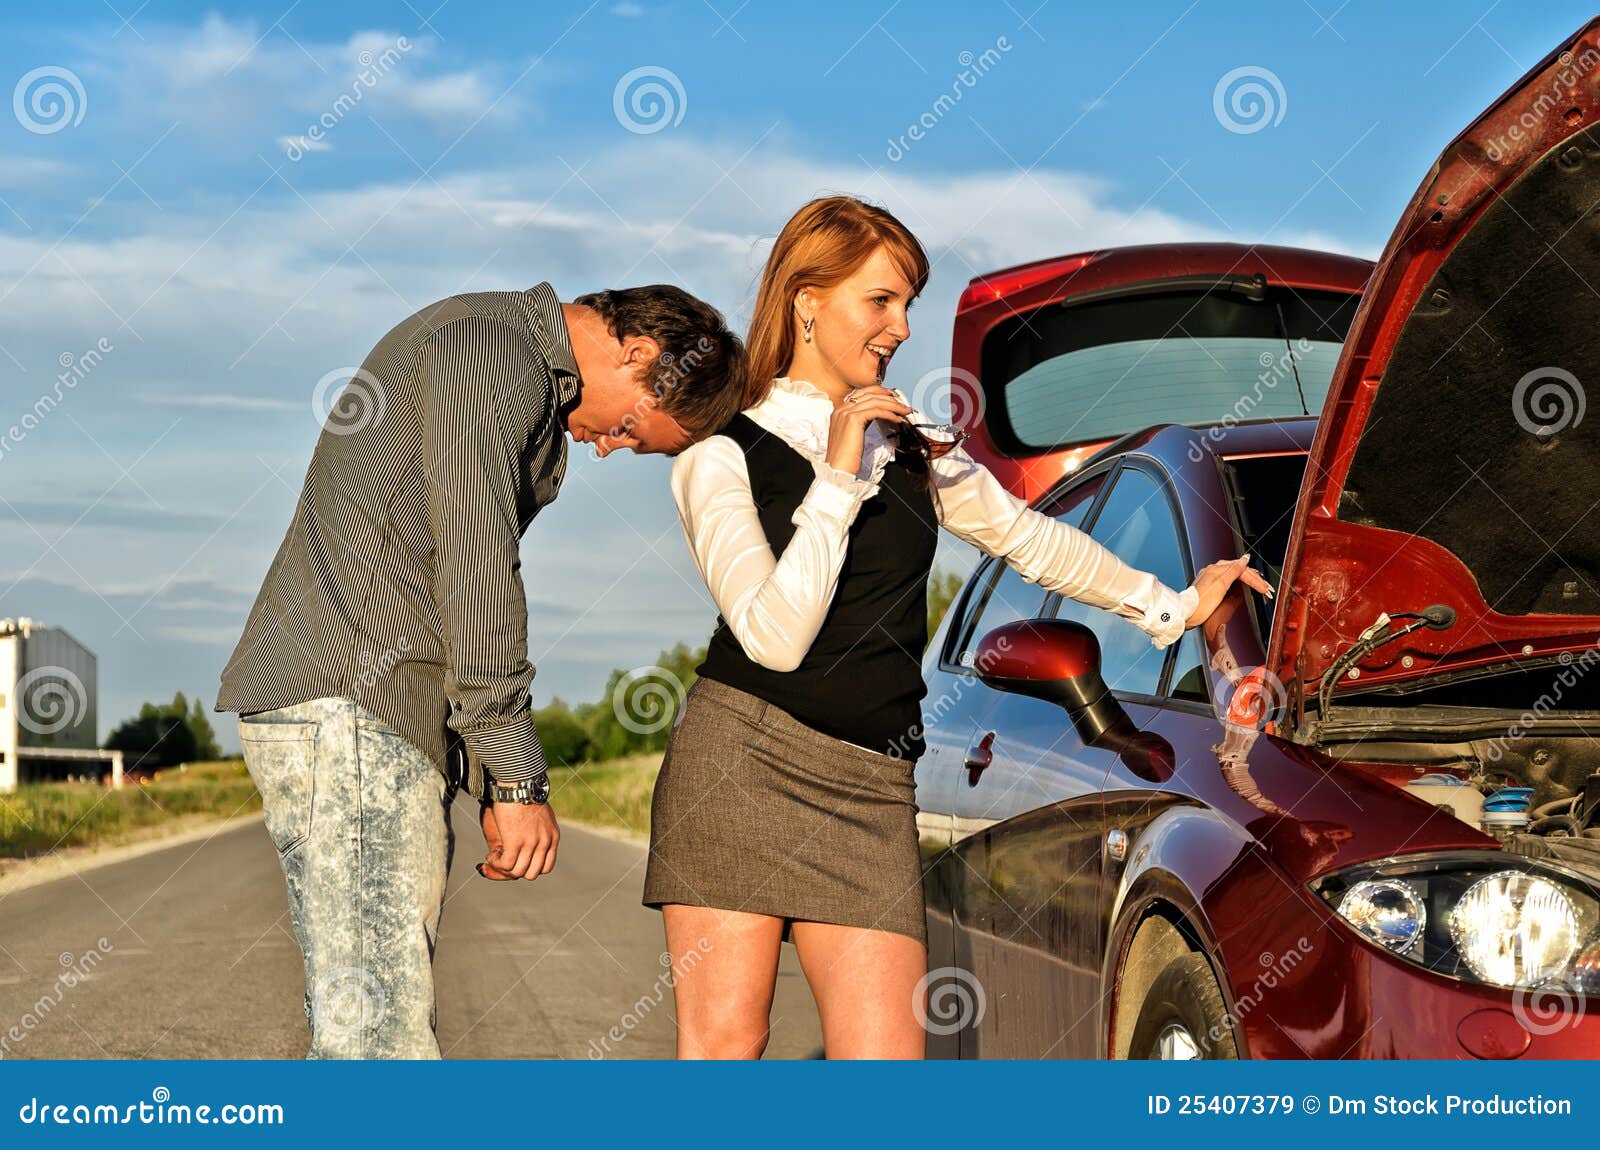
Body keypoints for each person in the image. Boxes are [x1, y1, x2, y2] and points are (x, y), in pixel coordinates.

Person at [642, 196, 1273, 1059]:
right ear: (806, 300)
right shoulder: (717, 458)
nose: (901, 328)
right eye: (882, 301)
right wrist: (836, 473)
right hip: (742, 766)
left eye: (909, 304)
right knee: (724, 1049)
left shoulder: (914, 446)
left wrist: (1171, 607)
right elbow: (774, 639)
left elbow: (1028, 536)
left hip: (870, 786)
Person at [217, 282, 746, 1057]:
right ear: (641, 356)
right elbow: (476, 565)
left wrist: (491, 775)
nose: (608, 446)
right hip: (356, 709)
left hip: (361, 711)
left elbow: (443, 564)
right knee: (378, 1041)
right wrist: (518, 772)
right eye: (634, 429)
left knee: (362, 1027)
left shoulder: (492, 345)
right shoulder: (491, 352)